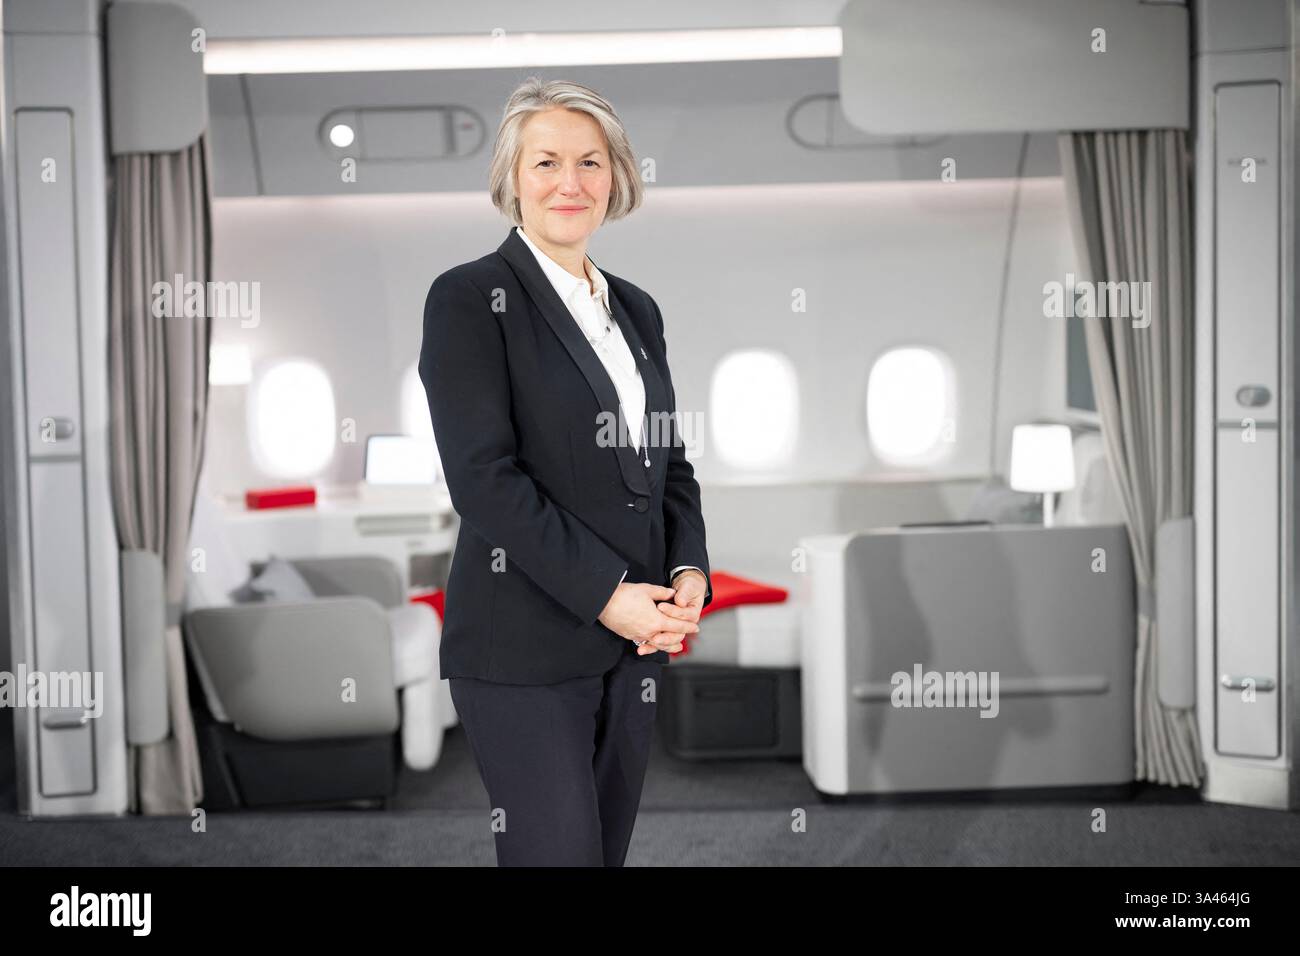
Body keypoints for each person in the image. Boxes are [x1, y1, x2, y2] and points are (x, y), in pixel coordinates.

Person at [419, 77, 712, 866]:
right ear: (512, 179)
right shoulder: (469, 298)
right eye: (545, 162)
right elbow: (484, 480)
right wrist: (608, 595)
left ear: (615, 175)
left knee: (601, 855)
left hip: (632, 643)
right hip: (521, 647)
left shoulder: (637, 308)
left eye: (589, 162)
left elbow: (666, 460)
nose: (569, 183)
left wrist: (687, 567)